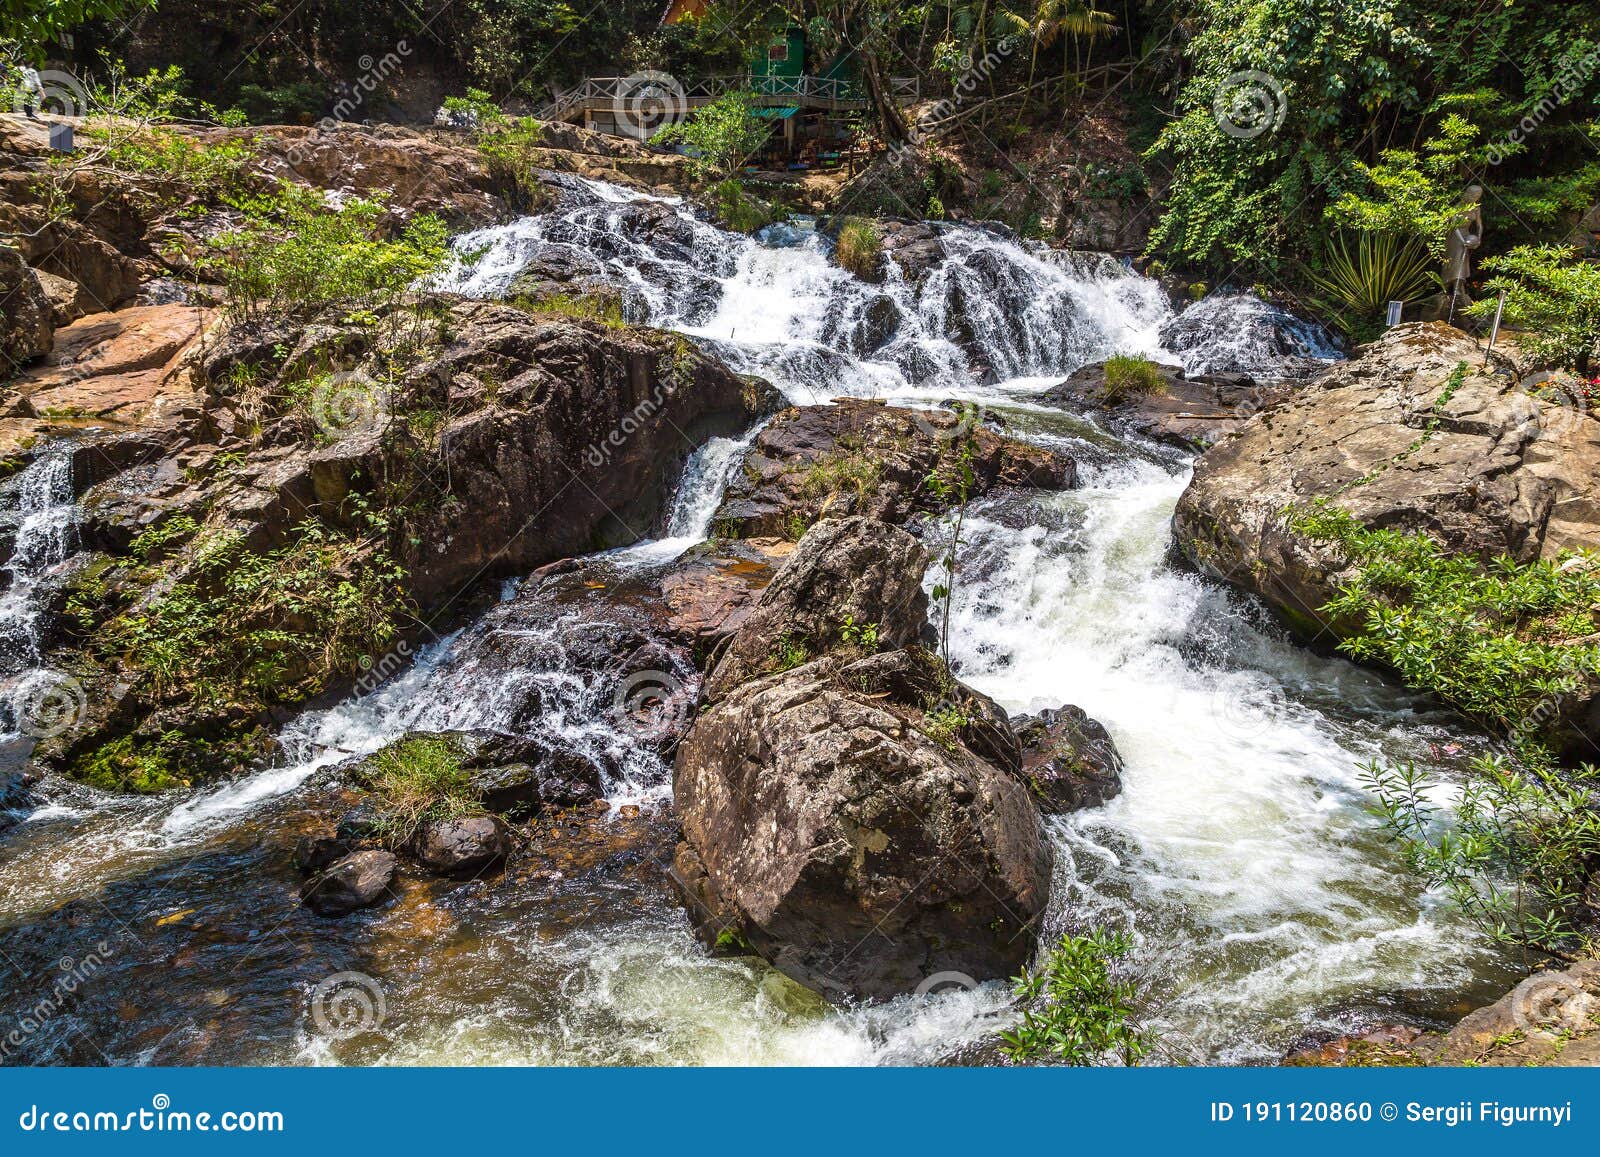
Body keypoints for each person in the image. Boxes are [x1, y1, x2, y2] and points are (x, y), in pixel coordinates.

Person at [1443, 184, 1484, 321]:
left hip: (1466, 235)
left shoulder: (1476, 208)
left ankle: (1459, 287)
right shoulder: (1457, 207)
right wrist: (1462, 241)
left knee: (1463, 260)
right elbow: (1454, 227)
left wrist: (1478, 238)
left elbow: (1479, 225)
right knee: (1455, 259)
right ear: (1468, 194)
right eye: (1474, 195)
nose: (1475, 198)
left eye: (1478, 196)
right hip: (1455, 237)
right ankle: (1450, 287)